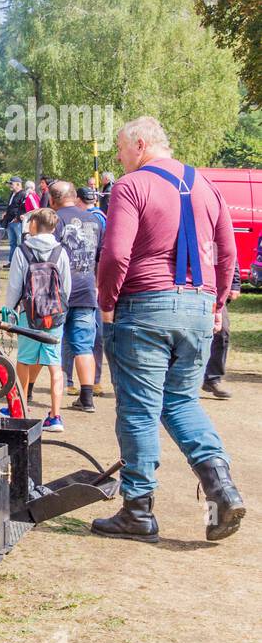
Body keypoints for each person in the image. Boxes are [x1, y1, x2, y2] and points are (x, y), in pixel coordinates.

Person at [92, 116, 243, 543]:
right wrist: (215, 303)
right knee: (181, 402)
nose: (120, 159)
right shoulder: (206, 185)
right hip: (196, 307)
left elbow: (116, 253)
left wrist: (107, 302)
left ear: (140, 144)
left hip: (145, 305)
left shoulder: (131, 185)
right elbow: (228, 252)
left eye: (121, 149)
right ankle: (222, 489)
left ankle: (137, 511)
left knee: (139, 409)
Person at [4, 207, 71, 432]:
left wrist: (10, 312)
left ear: (33, 224)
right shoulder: (60, 251)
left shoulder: (22, 251)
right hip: (54, 316)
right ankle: (56, 416)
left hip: (28, 315)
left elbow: (14, 286)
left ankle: (21, 409)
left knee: (24, 361)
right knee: (54, 364)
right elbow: (66, 287)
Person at [47, 180, 104, 413]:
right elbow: (100, 256)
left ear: (52, 200)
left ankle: (56, 397)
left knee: (56, 342)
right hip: (87, 288)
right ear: (74, 196)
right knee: (84, 346)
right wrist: (97, 284)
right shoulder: (94, 219)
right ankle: (87, 397)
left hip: (59, 290)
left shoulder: (55, 220)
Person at [202, 263, 241, 399]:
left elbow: (231, 256)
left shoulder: (216, 240)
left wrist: (235, 284)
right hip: (185, 287)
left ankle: (212, 379)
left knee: (222, 332)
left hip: (215, 290)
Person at [1, 176, 30, 265]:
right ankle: (12, 262)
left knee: (20, 242)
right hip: (10, 222)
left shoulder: (23, 194)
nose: (10, 185)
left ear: (18, 184)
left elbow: (24, 208)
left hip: (18, 223)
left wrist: (17, 218)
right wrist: (6, 213)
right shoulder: (12, 194)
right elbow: (11, 206)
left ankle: (21, 262)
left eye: (11, 183)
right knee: (12, 243)